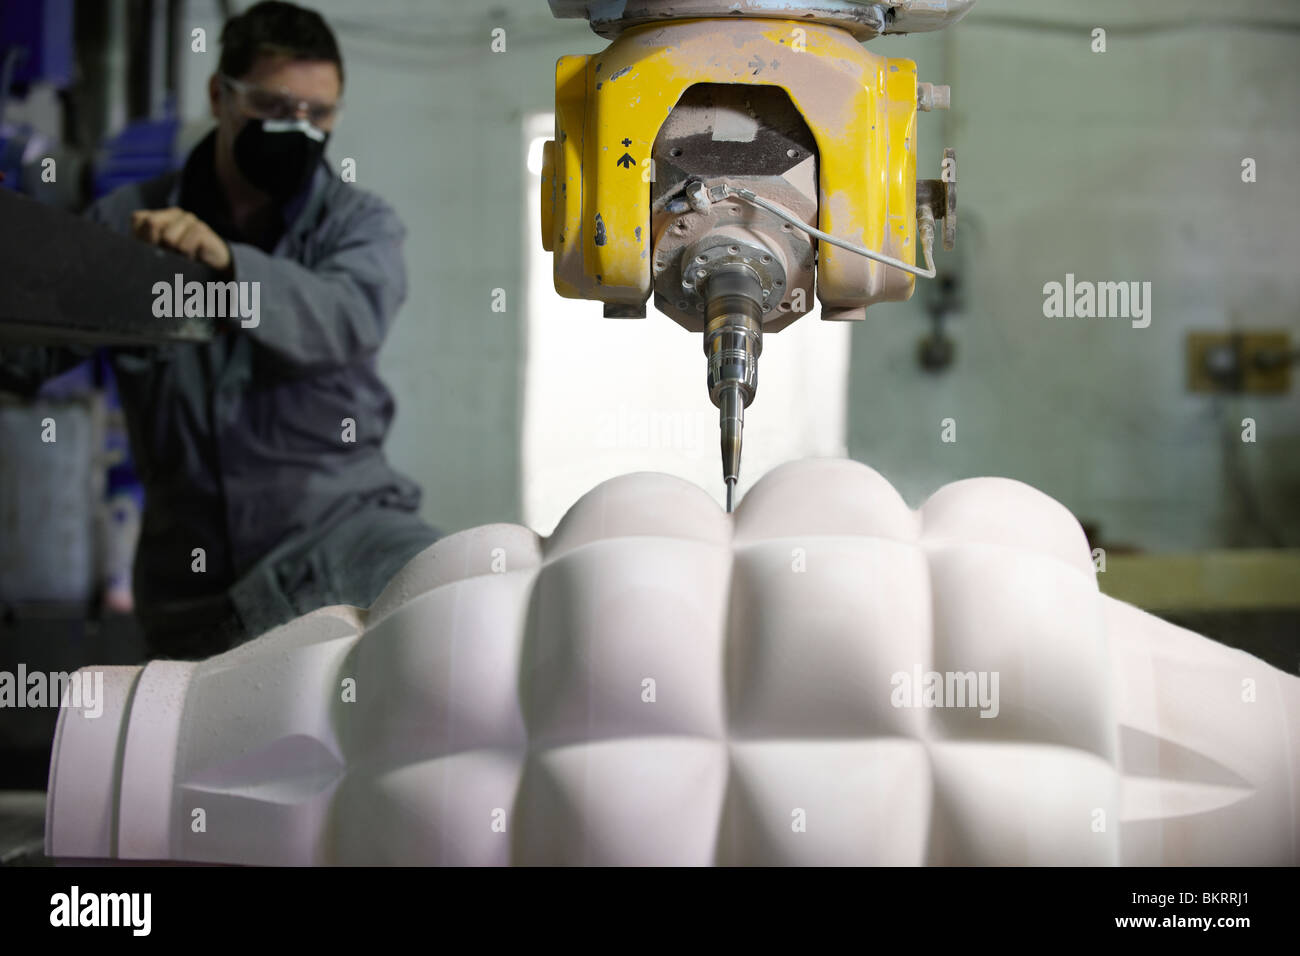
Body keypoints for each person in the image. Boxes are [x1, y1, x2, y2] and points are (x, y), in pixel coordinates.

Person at [0, 1, 438, 658]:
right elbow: (30, 353)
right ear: (220, 95)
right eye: (273, 106)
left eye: (318, 115)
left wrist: (230, 266)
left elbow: (347, 318)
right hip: (194, 588)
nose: (299, 128)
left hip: (343, 547)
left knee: (457, 625)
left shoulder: (357, 224)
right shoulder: (131, 222)